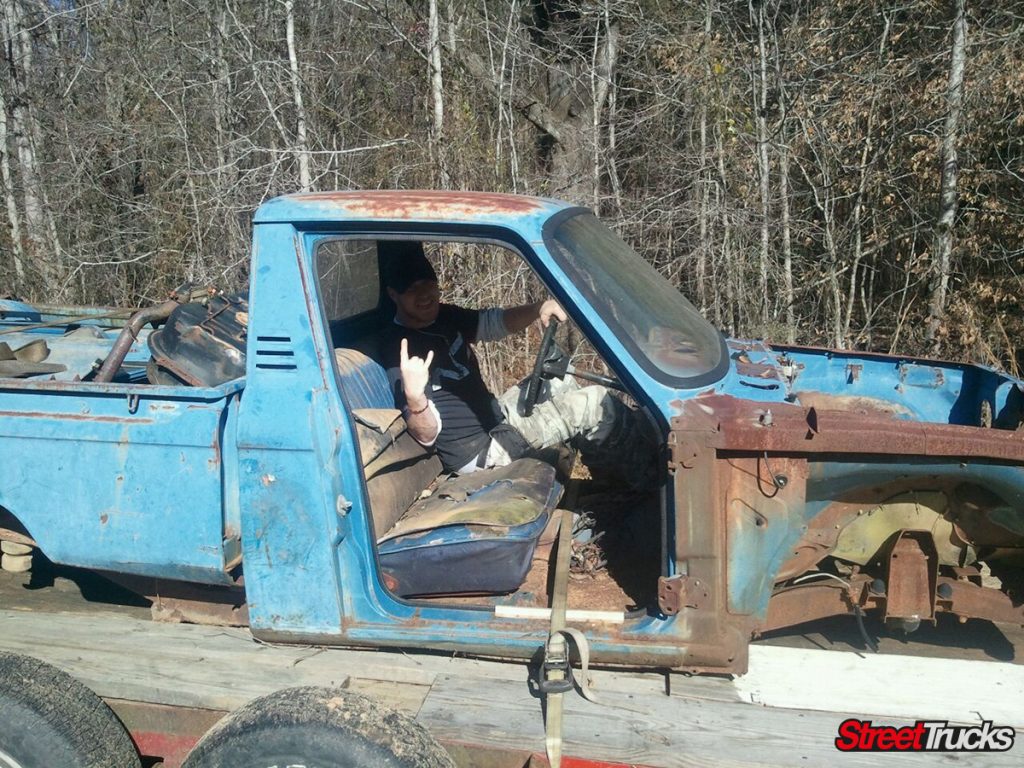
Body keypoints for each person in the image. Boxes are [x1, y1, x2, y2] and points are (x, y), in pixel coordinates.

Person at [376, 240, 657, 486]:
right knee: (594, 403)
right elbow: (426, 435)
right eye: (412, 289)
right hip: (482, 453)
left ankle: (607, 478)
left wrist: (538, 309)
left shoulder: (444, 316)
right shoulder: (399, 348)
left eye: (428, 284)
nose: (425, 294)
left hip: (496, 419)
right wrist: (415, 398)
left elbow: (494, 324)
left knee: (562, 381)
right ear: (393, 294)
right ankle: (641, 485)